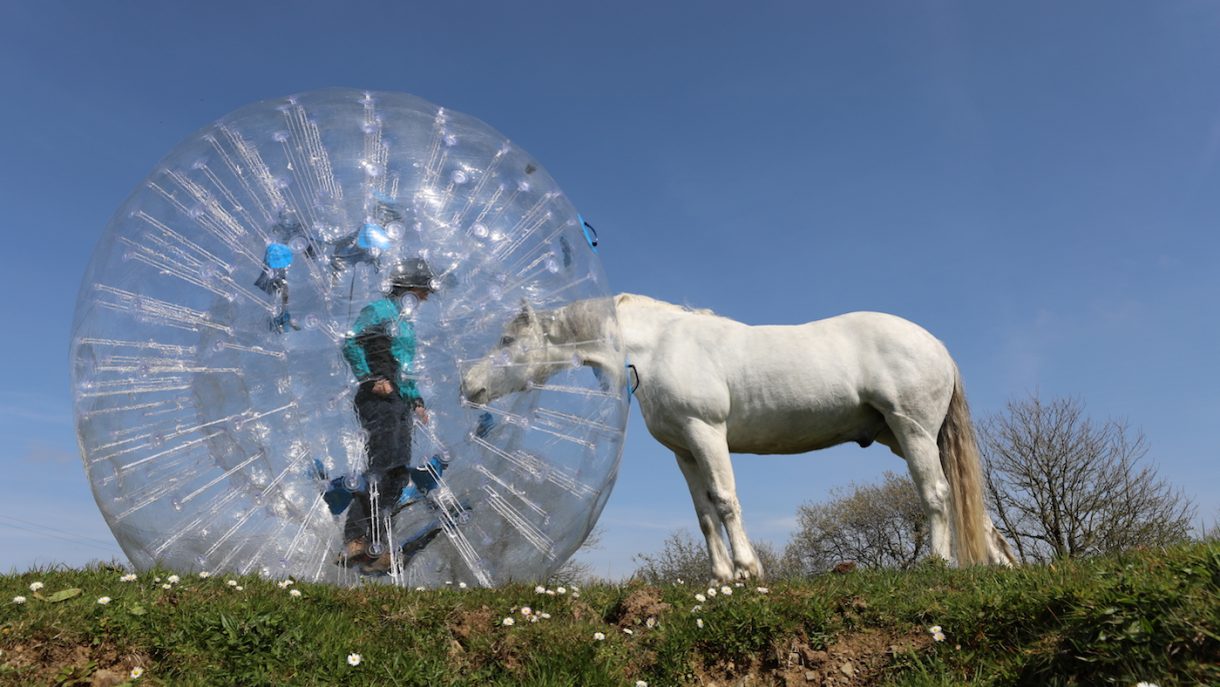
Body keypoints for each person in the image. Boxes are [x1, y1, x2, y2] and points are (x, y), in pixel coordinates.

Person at [336, 256, 438, 573]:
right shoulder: (379, 310)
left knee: (397, 473)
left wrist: (416, 400)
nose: (426, 297)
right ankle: (356, 539)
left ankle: (373, 545)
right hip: (376, 398)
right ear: (409, 286)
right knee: (380, 467)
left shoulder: (406, 323)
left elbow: (404, 369)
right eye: (423, 289)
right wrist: (370, 378)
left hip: (399, 402)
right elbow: (351, 343)